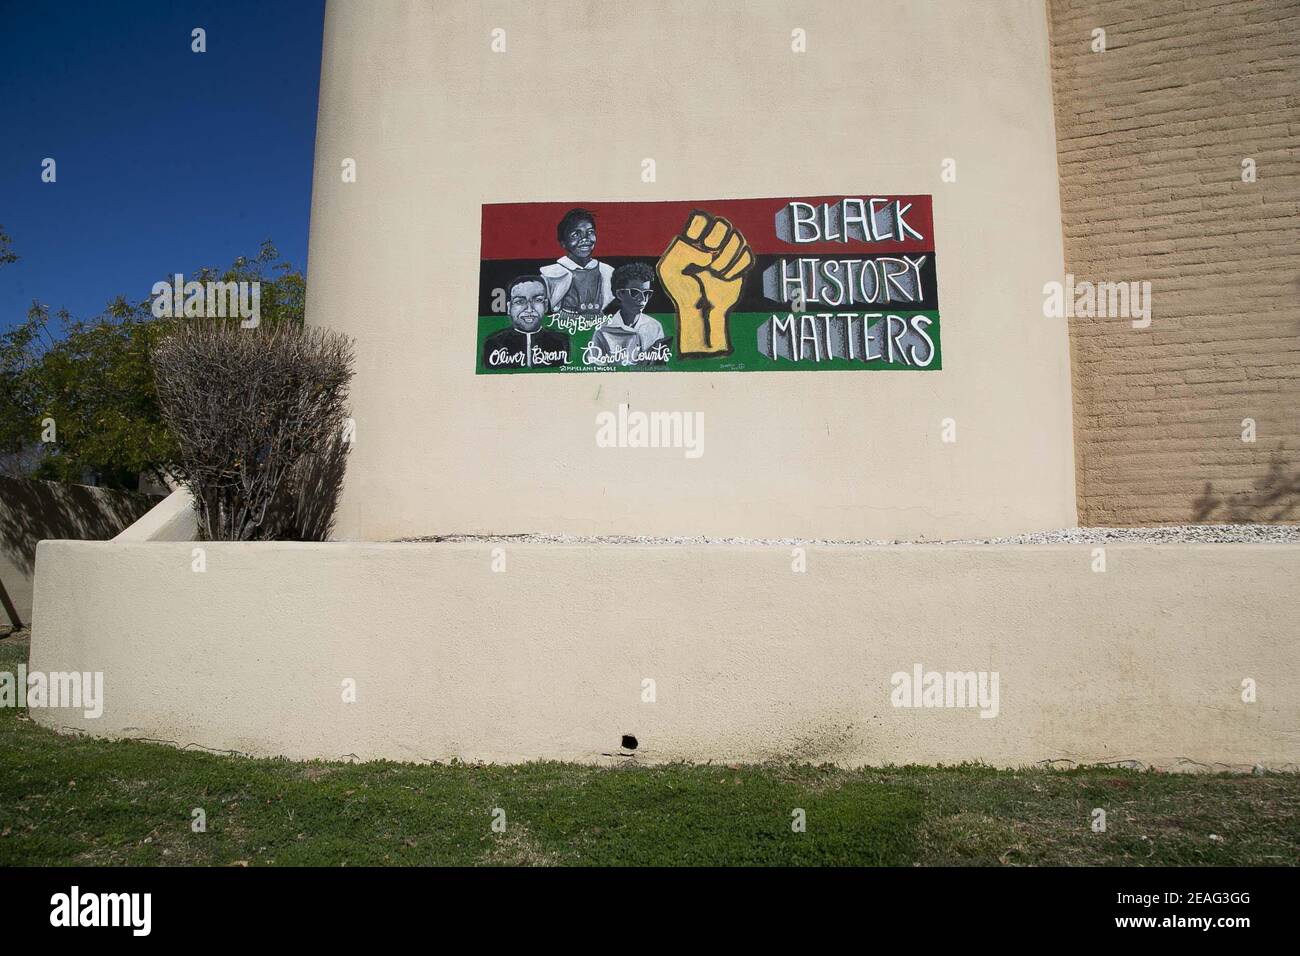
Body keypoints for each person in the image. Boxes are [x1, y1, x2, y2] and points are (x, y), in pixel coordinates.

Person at [540, 208, 614, 321]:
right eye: (576, 234)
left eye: (590, 232)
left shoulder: (607, 271)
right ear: (563, 242)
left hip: (598, 325)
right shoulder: (551, 274)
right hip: (565, 325)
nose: (585, 239)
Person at [482, 275, 570, 369]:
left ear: (545, 305)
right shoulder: (492, 343)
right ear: (509, 308)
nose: (529, 309)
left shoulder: (561, 342)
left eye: (537, 300)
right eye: (520, 301)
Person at [589, 262, 668, 365]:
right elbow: (596, 370)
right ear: (620, 294)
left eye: (646, 293)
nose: (642, 299)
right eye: (635, 293)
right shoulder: (603, 332)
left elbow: (659, 366)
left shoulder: (655, 327)